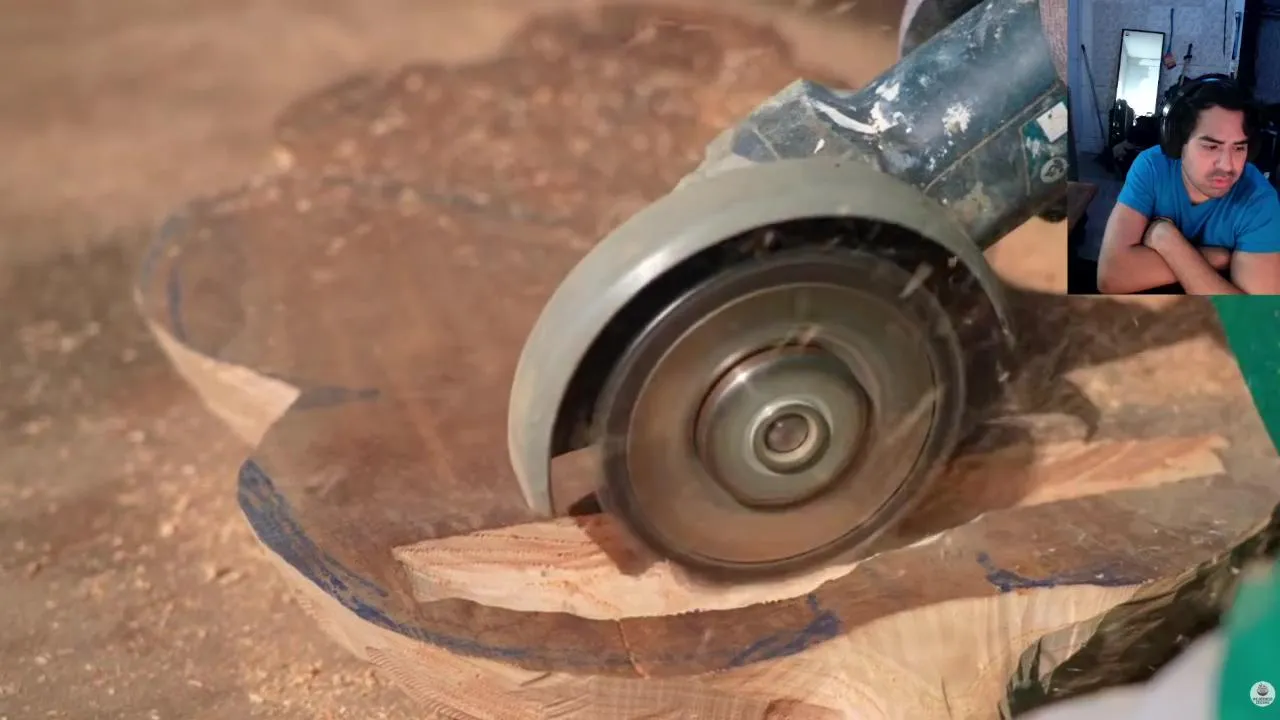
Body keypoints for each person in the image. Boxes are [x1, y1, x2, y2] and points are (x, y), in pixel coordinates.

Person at [1096, 75, 1280, 295]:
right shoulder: (1152, 167)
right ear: (1177, 142)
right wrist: (1214, 258)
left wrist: (1165, 238)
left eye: (1239, 148)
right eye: (1211, 147)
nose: (1227, 165)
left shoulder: (1259, 200)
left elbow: (1254, 317)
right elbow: (1112, 277)